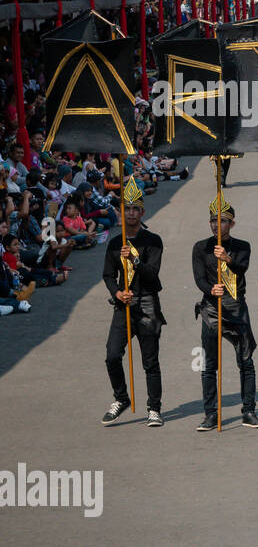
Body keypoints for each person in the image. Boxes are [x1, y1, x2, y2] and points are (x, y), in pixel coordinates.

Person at [192, 194, 258, 431]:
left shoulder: (243, 246)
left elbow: (242, 269)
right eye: (213, 220)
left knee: (246, 361)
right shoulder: (201, 248)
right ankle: (211, 414)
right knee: (209, 364)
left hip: (236, 308)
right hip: (212, 309)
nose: (216, 224)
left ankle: (249, 410)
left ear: (231, 223)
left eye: (222, 220)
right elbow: (199, 278)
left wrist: (227, 258)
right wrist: (211, 289)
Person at [101, 177, 166, 427]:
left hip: (147, 303)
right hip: (123, 305)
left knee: (150, 360)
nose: (130, 213)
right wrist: (117, 292)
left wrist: (135, 260)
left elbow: (152, 274)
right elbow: (107, 274)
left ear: (142, 212)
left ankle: (154, 408)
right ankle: (121, 398)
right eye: (126, 208)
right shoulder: (116, 243)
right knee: (112, 355)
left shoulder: (153, 241)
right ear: (121, 212)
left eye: (135, 208)